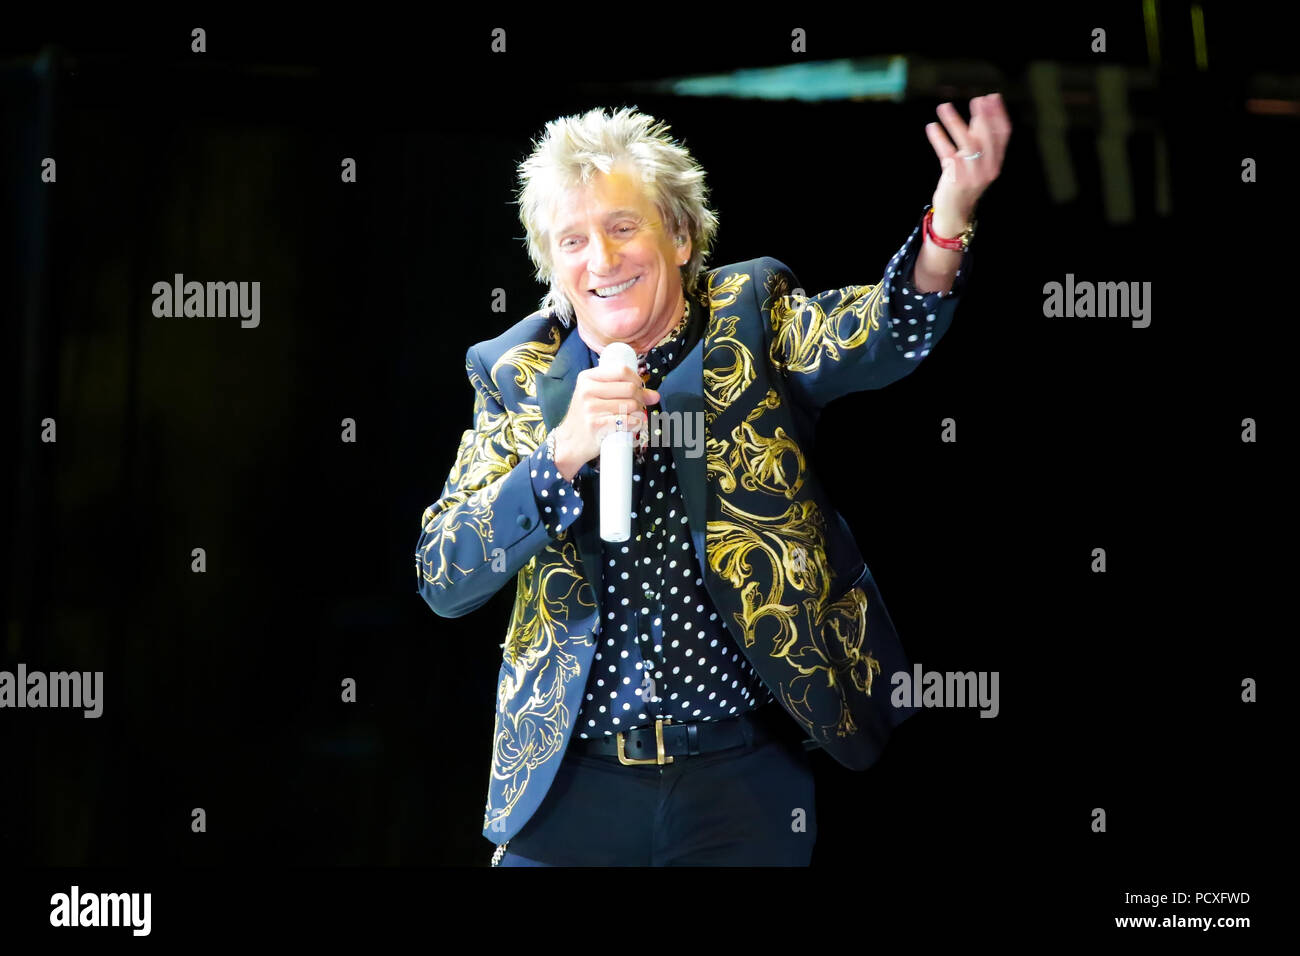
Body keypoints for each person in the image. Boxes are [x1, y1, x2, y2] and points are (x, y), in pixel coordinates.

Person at [415, 99, 1010, 866]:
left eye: (624, 227)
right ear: (551, 265)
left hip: (740, 783)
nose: (602, 259)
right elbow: (445, 571)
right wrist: (559, 454)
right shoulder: (514, 372)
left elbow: (882, 332)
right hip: (572, 789)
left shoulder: (749, 315)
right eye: (573, 240)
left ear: (682, 235)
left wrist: (948, 216)